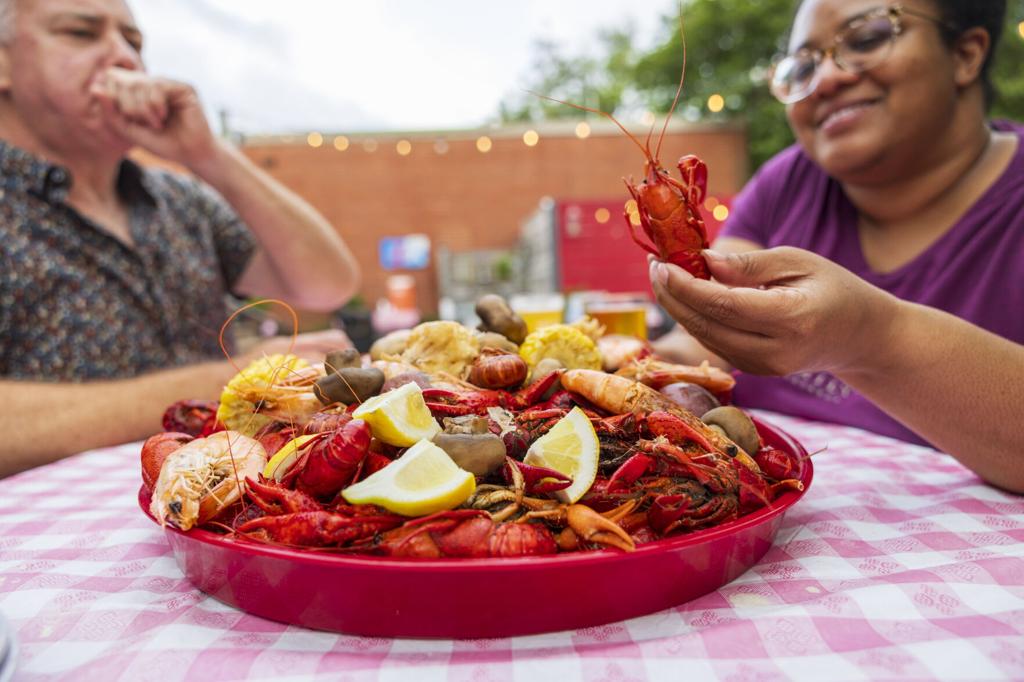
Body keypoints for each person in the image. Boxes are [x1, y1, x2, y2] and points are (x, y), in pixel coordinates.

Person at [649, 0, 1024, 493]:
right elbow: (701, 345)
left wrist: (869, 339)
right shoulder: (784, 182)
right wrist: (636, 363)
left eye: (867, 39)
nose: (824, 80)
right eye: (802, 66)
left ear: (966, 54)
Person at [0, 0, 362, 477]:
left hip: (224, 511)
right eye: (80, 32)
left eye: (133, 42)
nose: (124, 57)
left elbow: (328, 283)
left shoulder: (181, 198)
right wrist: (227, 380)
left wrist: (208, 155)